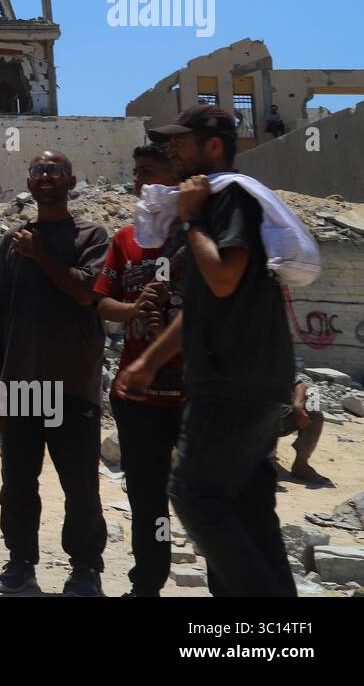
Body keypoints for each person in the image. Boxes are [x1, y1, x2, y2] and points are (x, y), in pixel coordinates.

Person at [116, 104, 297, 597]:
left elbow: (222, 278)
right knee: (250, 509)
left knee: (196, 497)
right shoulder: (214, 201)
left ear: (213, 146)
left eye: (181, 141)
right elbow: (200, 309)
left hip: (231, 383)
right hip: (249, 380)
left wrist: (193, 220)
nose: (171, 150)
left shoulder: (226, 198)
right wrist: (148, 363)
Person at [0, 151, 109, 597]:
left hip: (73, 383)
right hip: (21, 384)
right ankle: (20, 563)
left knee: (80, 486)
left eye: (54, 170)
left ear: (71, 181)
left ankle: (85, 569)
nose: (45, 176)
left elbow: (86, 292)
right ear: (30, 183)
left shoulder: (92, 236)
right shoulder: (13, 241)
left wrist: (39, 254)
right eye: (38, 170)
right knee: (17, 484)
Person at [94, 143, 185, 597]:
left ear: (175, 175)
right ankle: (147, 584)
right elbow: (102, 303)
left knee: (207, 497)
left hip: (193, 396)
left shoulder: (199, 237)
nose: (137, 181)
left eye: (148, 172)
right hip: (138, 399)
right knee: (148, 501)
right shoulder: (126, 239)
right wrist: (134, 309)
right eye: (135, 172)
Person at [278, 373, 327, 485]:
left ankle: (301, 465)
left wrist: (298, 407)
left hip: (275, 415)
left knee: (313, 412)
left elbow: (299, 384)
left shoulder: (275, 365)